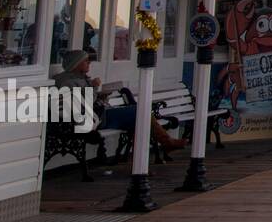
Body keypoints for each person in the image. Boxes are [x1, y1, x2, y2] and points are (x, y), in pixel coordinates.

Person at [54, 48, 186, 151]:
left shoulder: (81, 78)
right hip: (96, 117)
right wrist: (93, 88)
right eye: (86, 61)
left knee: (138, 122)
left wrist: (101, 95)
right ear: (75, 64)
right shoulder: (67, 81)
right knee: (140, 111)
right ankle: (166, 142)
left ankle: (139, 165)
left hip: (100, 113)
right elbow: (81, 103)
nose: (89, 63)